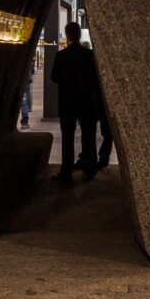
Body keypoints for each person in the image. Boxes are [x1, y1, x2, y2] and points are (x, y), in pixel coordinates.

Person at [49, 22, 99, 183]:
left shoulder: (61, 56)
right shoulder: (90, 55)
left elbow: (54, 77)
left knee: (67, 138)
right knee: (89, 136)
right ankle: (90, 169)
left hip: (68, 102)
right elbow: (96, 78)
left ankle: (66, 172)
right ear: (79, 34)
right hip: (87, 101)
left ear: (68, 35)